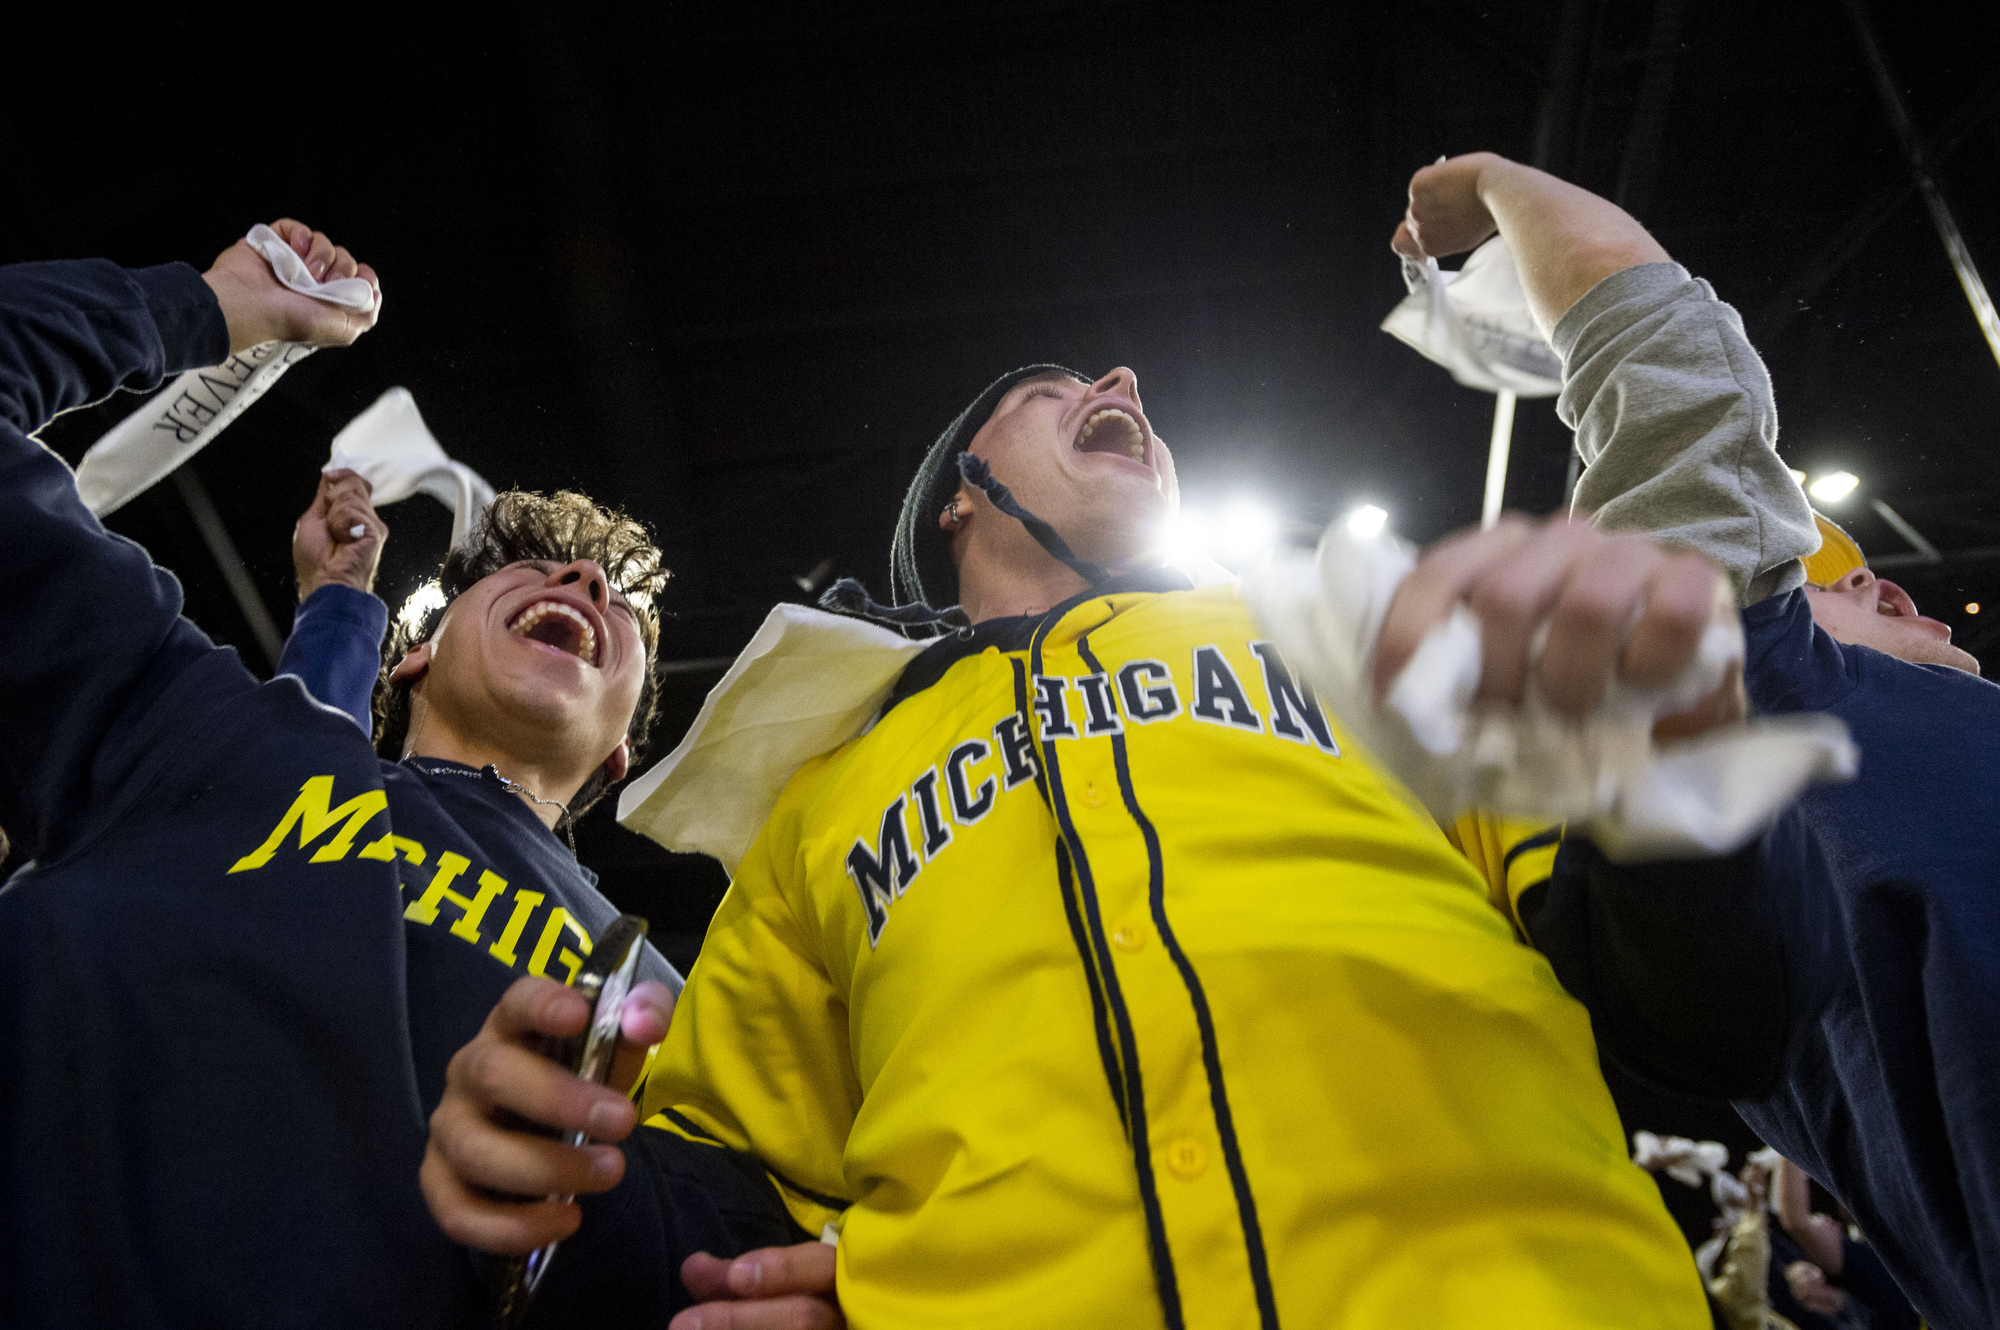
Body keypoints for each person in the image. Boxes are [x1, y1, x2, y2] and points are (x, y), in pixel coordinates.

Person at [423, 339, 1837, 1321]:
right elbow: (721, 1204)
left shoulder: (1364, 639)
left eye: (1120, 384)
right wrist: (544, 1173)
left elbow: (1714, 1030)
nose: (1126, 387)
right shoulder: (825, 796)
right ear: (963, 489)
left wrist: (1674, 789)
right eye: (1056, 389)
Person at [0, 220, 786, 1327]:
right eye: (529, 565)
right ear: (412, 652)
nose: (582, 579)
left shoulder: (680, 1003)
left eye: (627, 608)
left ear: (619, 753)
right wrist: (215, 310)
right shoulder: (211, 742)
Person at [1391, 150, 2000, 1327]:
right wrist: (1495, 184)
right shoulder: (1757, 721)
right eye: (1834, 580)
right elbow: (1659, 356)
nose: (1881, 588)